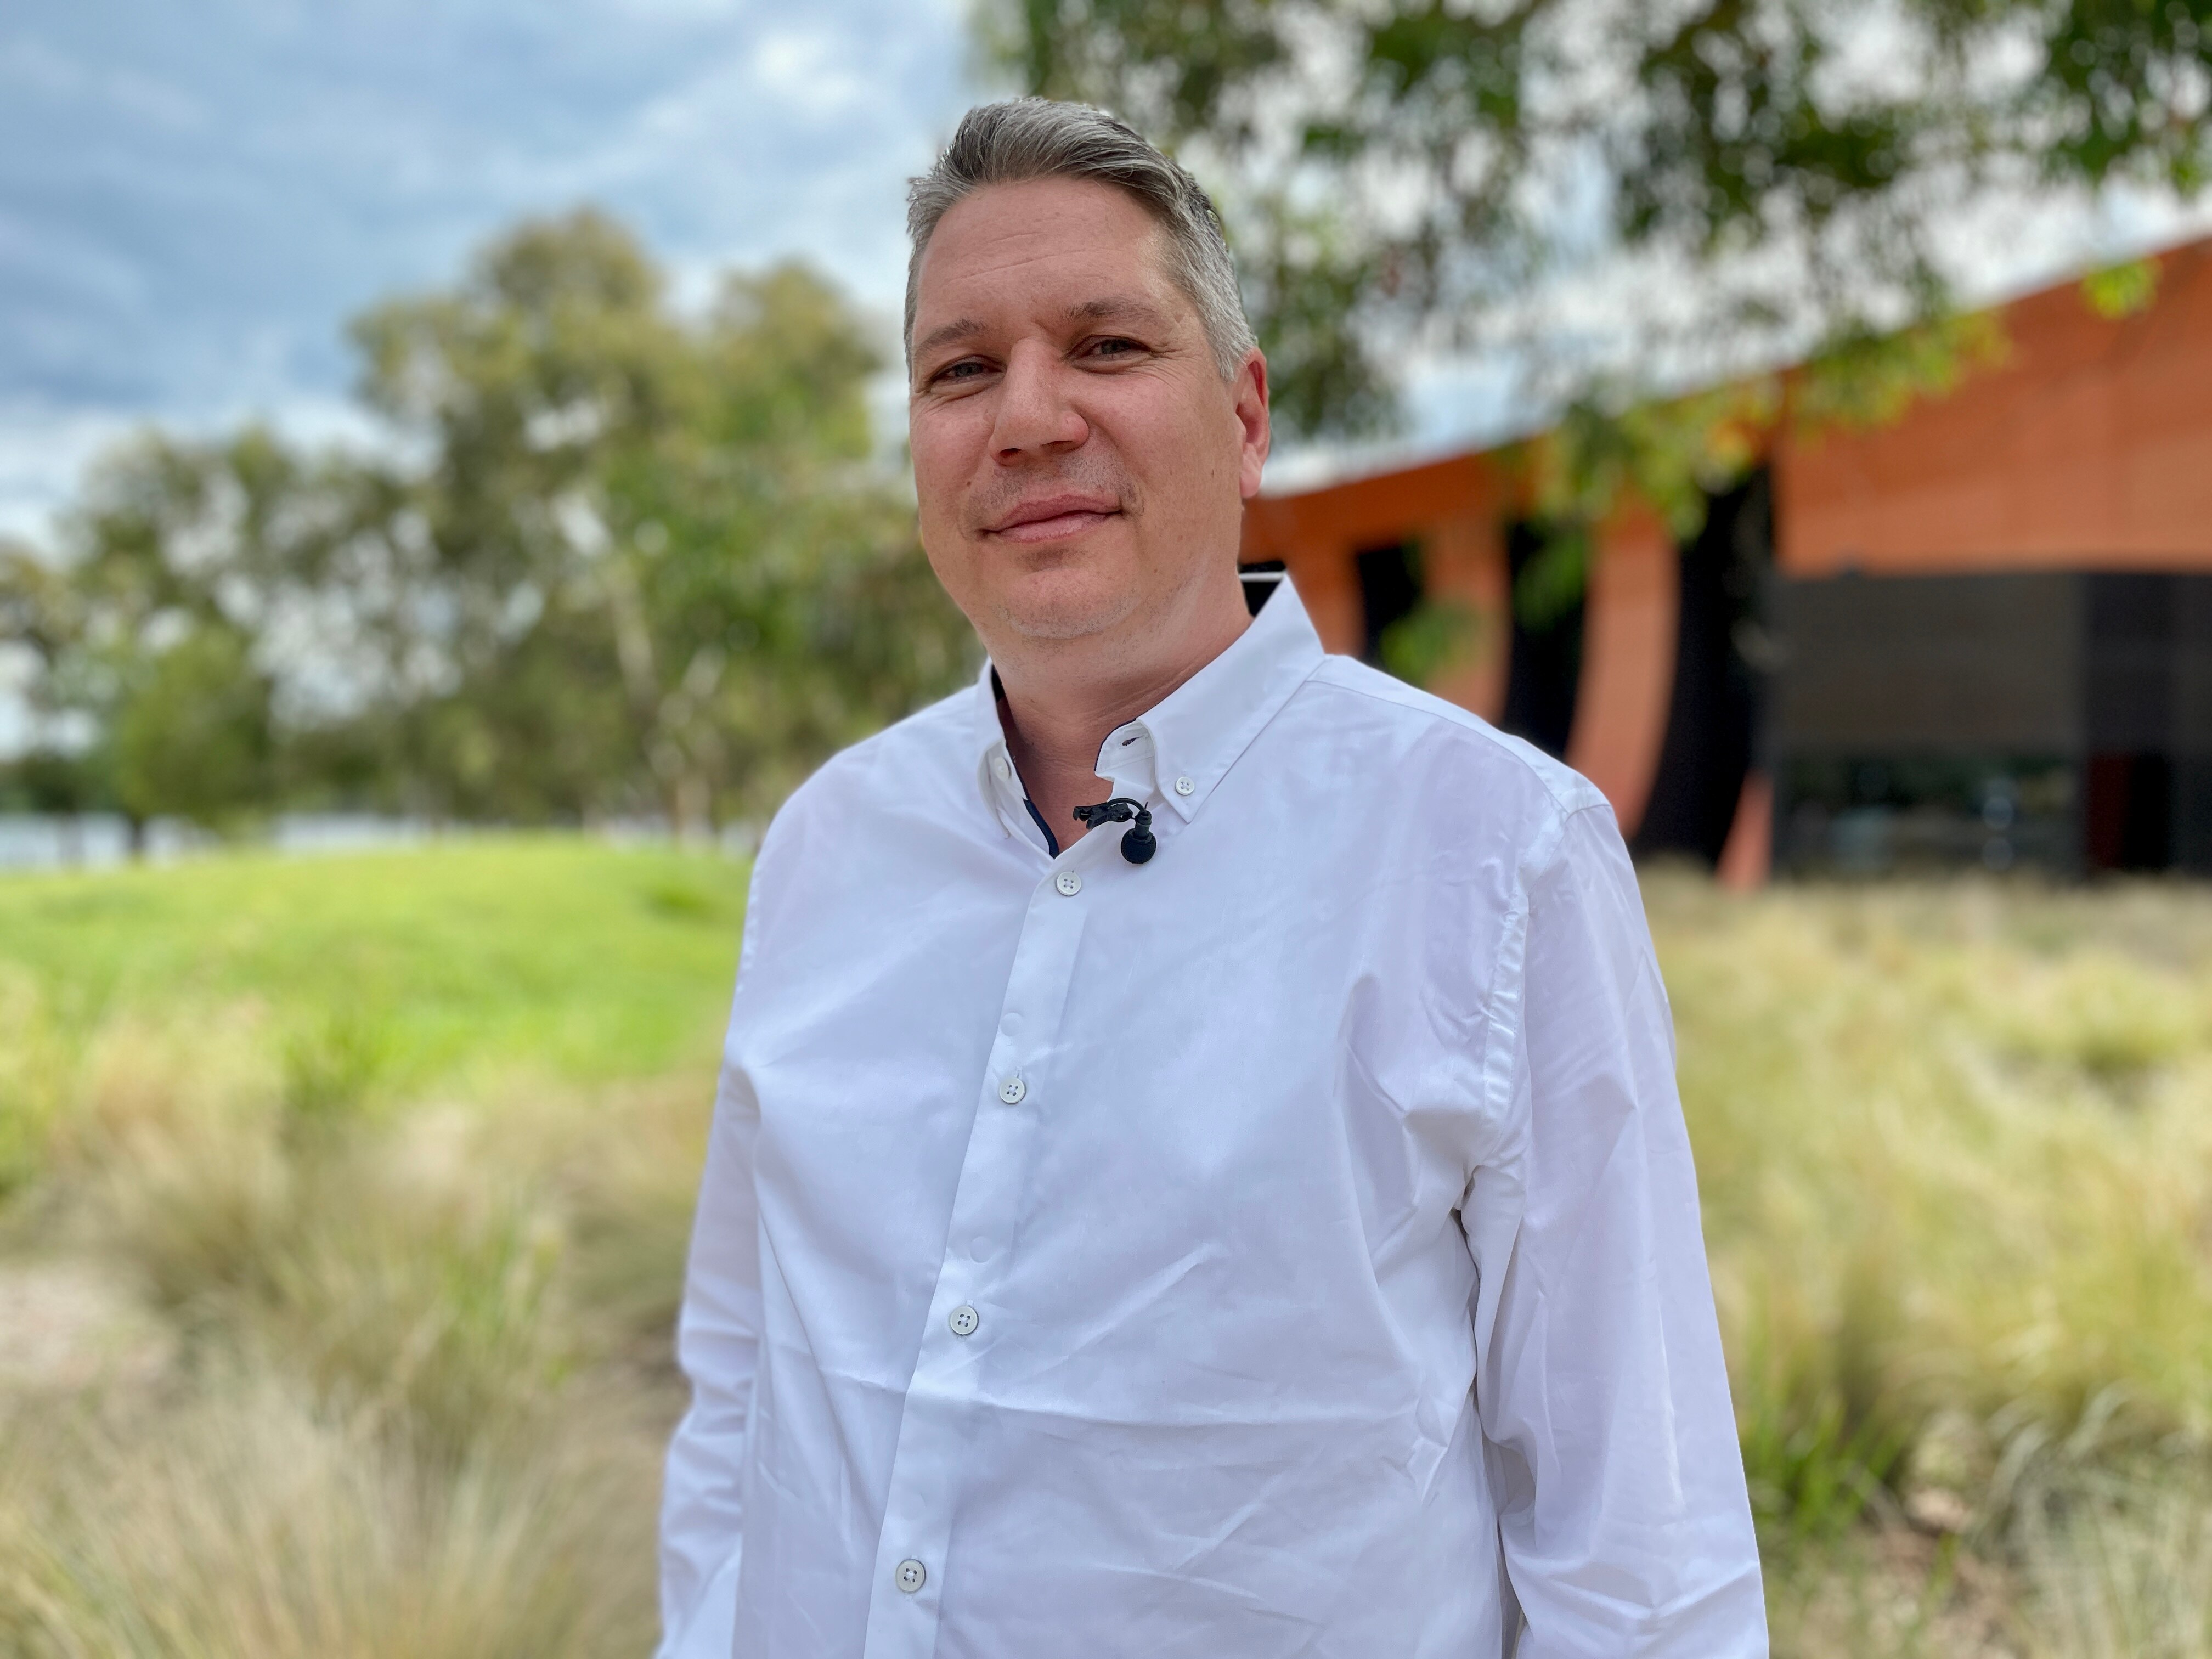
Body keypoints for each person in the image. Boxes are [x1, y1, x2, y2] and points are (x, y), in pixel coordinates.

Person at [657, 98, 1765, 1658]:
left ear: (1246, 414)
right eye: (960, 369)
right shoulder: (826, 846)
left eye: (1105, 346)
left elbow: (1637, 1552)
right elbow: (744, 1385)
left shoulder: (1499, 856)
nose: (1027, 416)